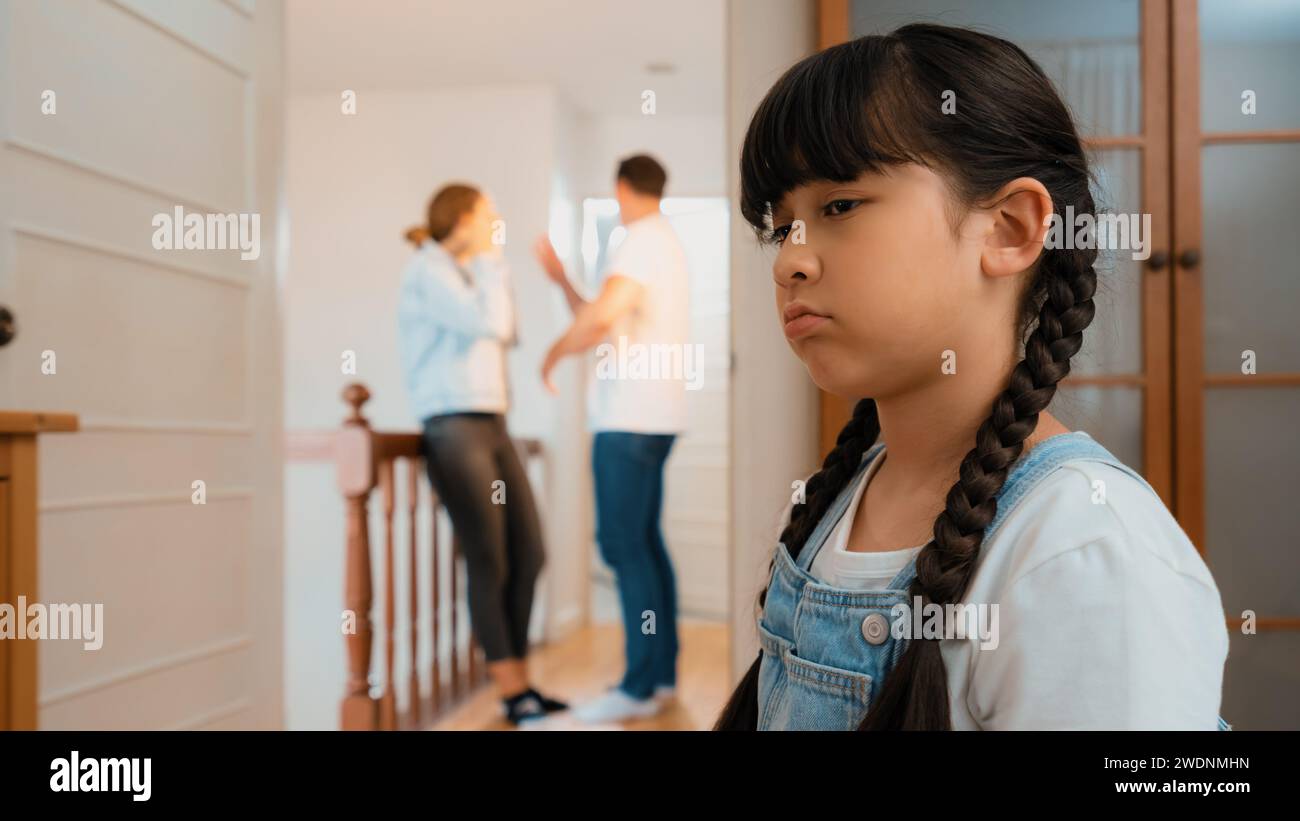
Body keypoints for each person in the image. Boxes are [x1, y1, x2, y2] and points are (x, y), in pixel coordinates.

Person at [714, 24, 1230, 730]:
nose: (789, 262)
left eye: (838, 207)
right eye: (781, 227)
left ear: (1011, 229)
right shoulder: (823, 508)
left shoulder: (1084, 550)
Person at [397, 183, 567, 726]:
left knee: (531, 552)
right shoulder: (428, 269)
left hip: (492, 421)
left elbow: (506, 330)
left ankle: (518, 684)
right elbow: (490, 324)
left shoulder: (469, 272)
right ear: (463, 217)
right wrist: (495, 263)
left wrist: (491, 268)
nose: (497, 223)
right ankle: (514, 691)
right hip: (452, 425)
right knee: (488, 558)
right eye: (489, 214)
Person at [533, 155, 691, 723]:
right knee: (644, 543)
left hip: (628, 419)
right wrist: (561, 281)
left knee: (623, 545)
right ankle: (661, 676)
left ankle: (637, 684)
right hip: (655, 417)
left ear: (622, 187)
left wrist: (550, 355)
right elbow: (602, 313)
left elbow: (599, 323)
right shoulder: (660, 240)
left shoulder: (640, 240)